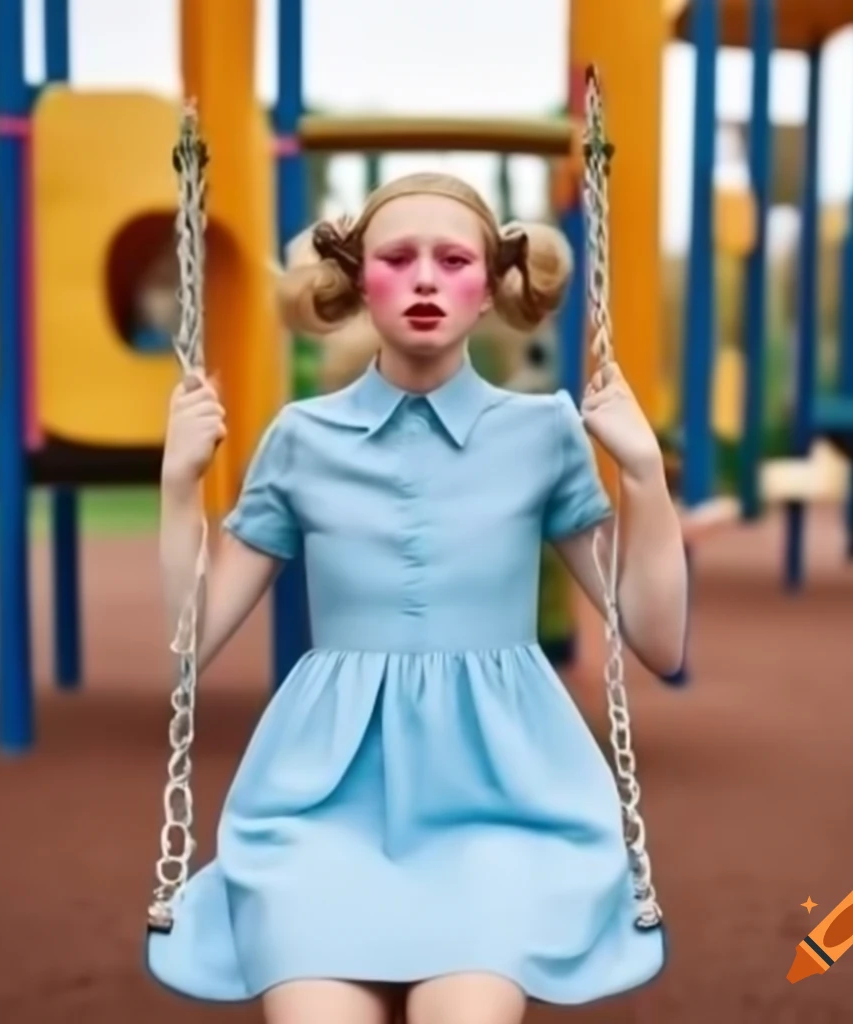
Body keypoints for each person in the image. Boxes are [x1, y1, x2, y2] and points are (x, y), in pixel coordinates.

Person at [147, 172, 688, 1024]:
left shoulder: (543, 433)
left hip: (498, 816)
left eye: (454, 259)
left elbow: (655, 641)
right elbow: (190, 645)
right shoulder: (302, 438)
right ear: (361, 279)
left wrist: (647, 478)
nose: (427, 278)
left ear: (488, 288)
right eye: (399, 258)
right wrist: (179, 488)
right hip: (321, 812)